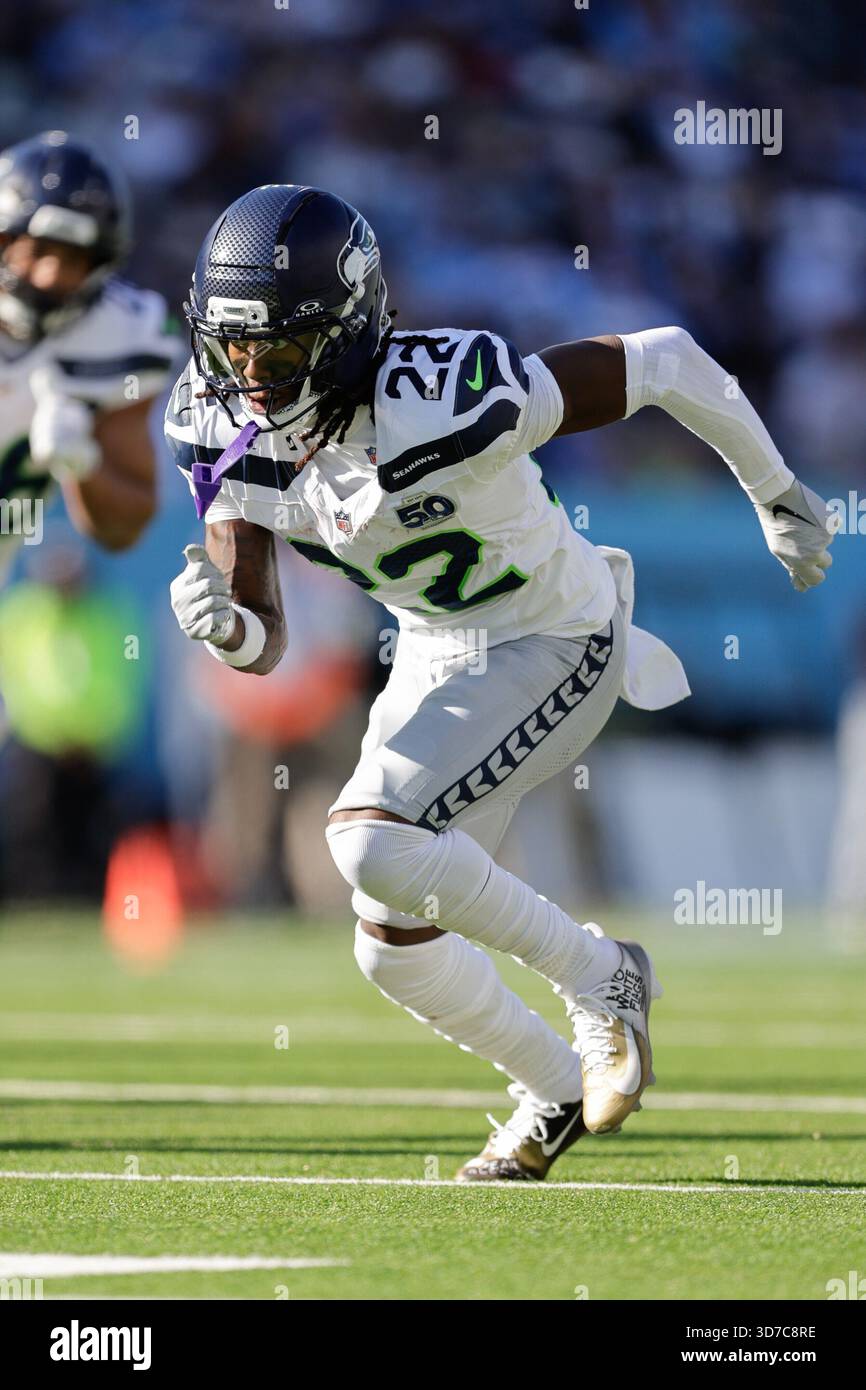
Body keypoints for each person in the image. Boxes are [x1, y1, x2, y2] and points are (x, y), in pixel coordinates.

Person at [167, 184, 837, 1181]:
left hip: (556, 632)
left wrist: (774, 490)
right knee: (388, 941)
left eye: (283, 351)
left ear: (349, 329)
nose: (253, 380)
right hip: (435, 648)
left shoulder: (445, 390)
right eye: (235, 349)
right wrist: (226, 626)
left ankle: (604, 976)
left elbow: (665, 361)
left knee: (366, 839)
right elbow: (262, 635)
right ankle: (552, 1085)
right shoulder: (218, 428)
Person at [0, 130, 178, 578]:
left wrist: (82, 461)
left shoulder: (119, 336)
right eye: (38, 250)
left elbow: (123, 529)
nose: (50, 275)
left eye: (73, 258)